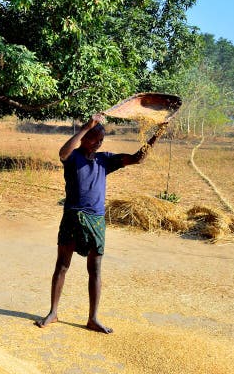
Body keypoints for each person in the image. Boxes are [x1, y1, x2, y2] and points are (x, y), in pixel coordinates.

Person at [35, 114, 169, 333]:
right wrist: (87, 126)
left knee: (95, 269)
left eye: (101, 140)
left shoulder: (104, 160)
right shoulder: (73, 158)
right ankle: (53, 312)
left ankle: (93, 318)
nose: (99, 143)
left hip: (95, 220)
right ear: (85, 138)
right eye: (95, 139)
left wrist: (158, 134)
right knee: (62, 265)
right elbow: (62, 152)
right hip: (71, 217)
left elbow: (137, 158)